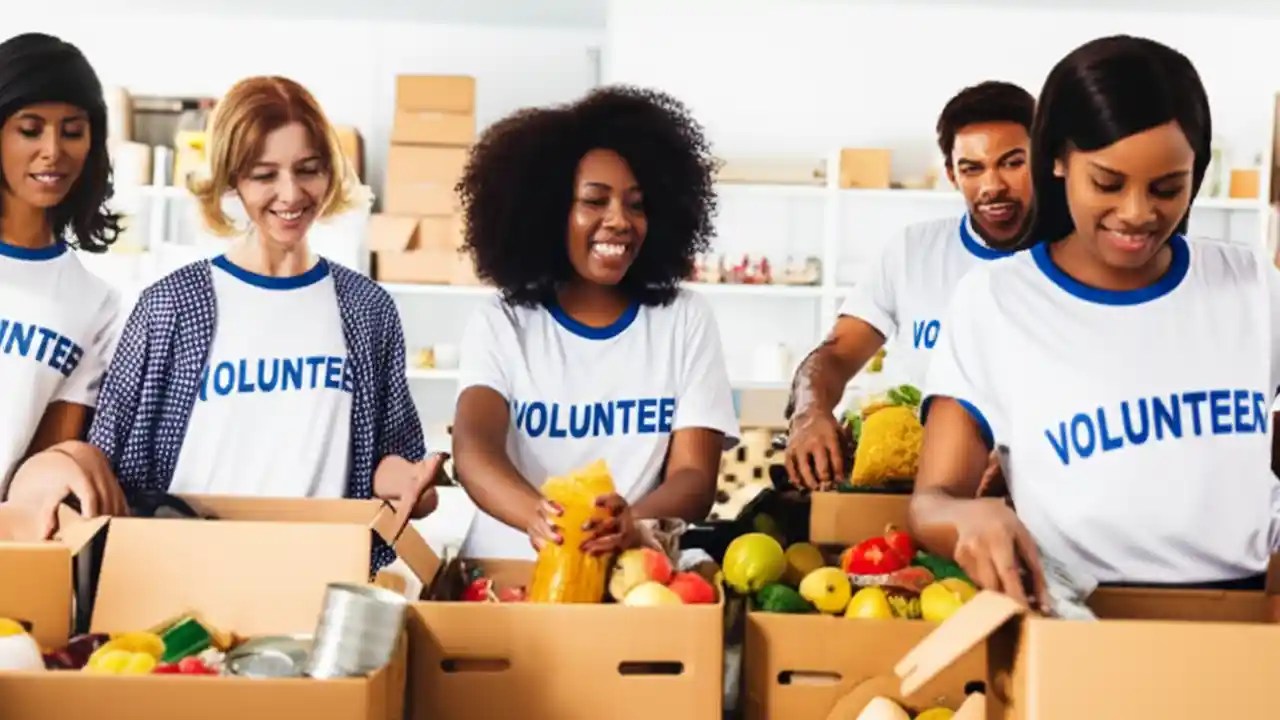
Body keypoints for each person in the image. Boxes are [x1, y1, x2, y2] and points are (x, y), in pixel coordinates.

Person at [909, 35, 1280, 608]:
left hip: (1252, 621)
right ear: (1057, 159)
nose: (1137, 213)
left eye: (1167, 188)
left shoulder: (1252, 286)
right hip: (1077, 627)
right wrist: (968, 519)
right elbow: (932, 500)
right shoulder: (996, 302)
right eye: (1107, 183)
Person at [8, 77, 439, 556]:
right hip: (184, 569)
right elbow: (108, 460)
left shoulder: (366, 309)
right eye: (264, 175)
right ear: (233, 178)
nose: (291, 194)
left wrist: (408, 479)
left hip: (320, 568)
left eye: (308, 170)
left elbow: (382, 455)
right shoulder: (171, 305)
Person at [451, 85, 740, 560]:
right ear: (548, 213)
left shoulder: (684, 319)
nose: (619, 220)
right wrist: (538, 518)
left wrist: (634, 525)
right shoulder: (503, 322)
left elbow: (694, 478)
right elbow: (474, 450)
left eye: (636, 204)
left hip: (629, 578)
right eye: (594, 200)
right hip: (508, 575)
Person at [785, 80, 1035, 489]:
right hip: (912, 495)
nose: (992, 186)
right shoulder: (912, 251)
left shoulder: (1073, 263)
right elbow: (837, 353)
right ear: (952, 174)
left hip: (1030, 499)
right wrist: (809, 412)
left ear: (1044, 160)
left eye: (1012, 163)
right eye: (972, 168)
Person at [0, 33, 125, 510]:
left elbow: (40, 476)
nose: (53, 150)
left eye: (72, 131)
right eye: (30, 129)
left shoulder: (95, 304)